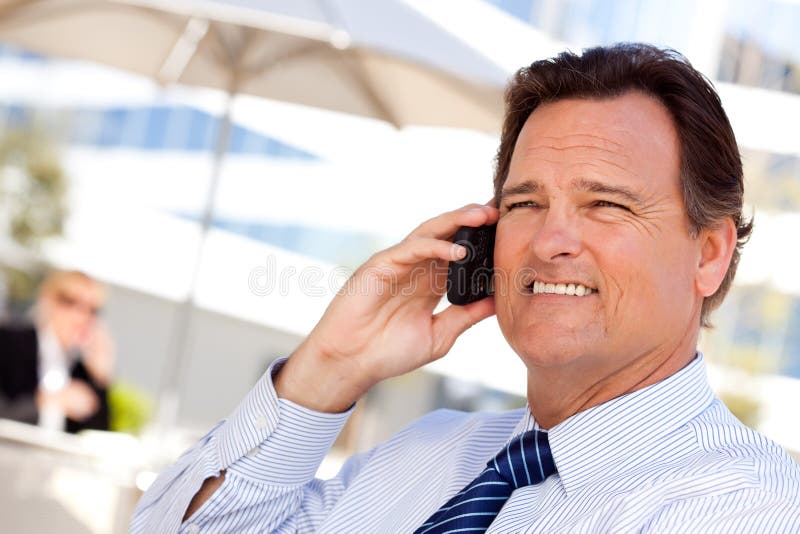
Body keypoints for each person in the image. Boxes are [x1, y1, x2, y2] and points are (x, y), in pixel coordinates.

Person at [131, 43, 800, 533]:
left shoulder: (751, 510)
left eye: (606, 205)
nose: (549, 241)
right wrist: (329, 369)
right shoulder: (425, 453)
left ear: (708, 254)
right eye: (525, 204)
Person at [0, 269, 112, 433]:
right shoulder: (10, 341)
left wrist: (100, 379)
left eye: (92, 310)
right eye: (70, 302)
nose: (82, 315)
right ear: (46, 299)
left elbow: (96, 437)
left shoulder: (80, 369)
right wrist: (47, 401)